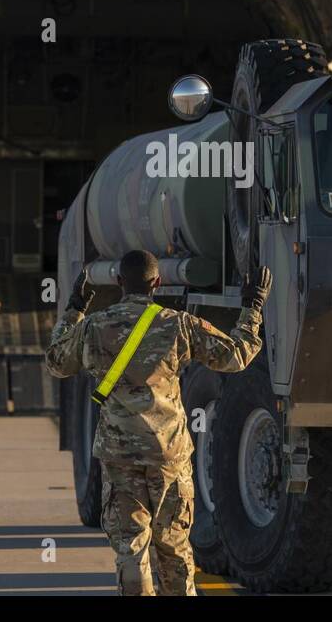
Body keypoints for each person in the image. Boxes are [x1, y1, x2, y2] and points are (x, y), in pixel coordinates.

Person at [45, 250, 270, 596]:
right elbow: (236, 356)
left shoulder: (95, 326)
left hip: (119, 455)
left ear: (119, 282)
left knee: (131, 548)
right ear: (157, 283)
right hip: (170, 455)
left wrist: (75, 308)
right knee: (174, 546)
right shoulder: (179, 324)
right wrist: (252, 308)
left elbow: (57, 361)